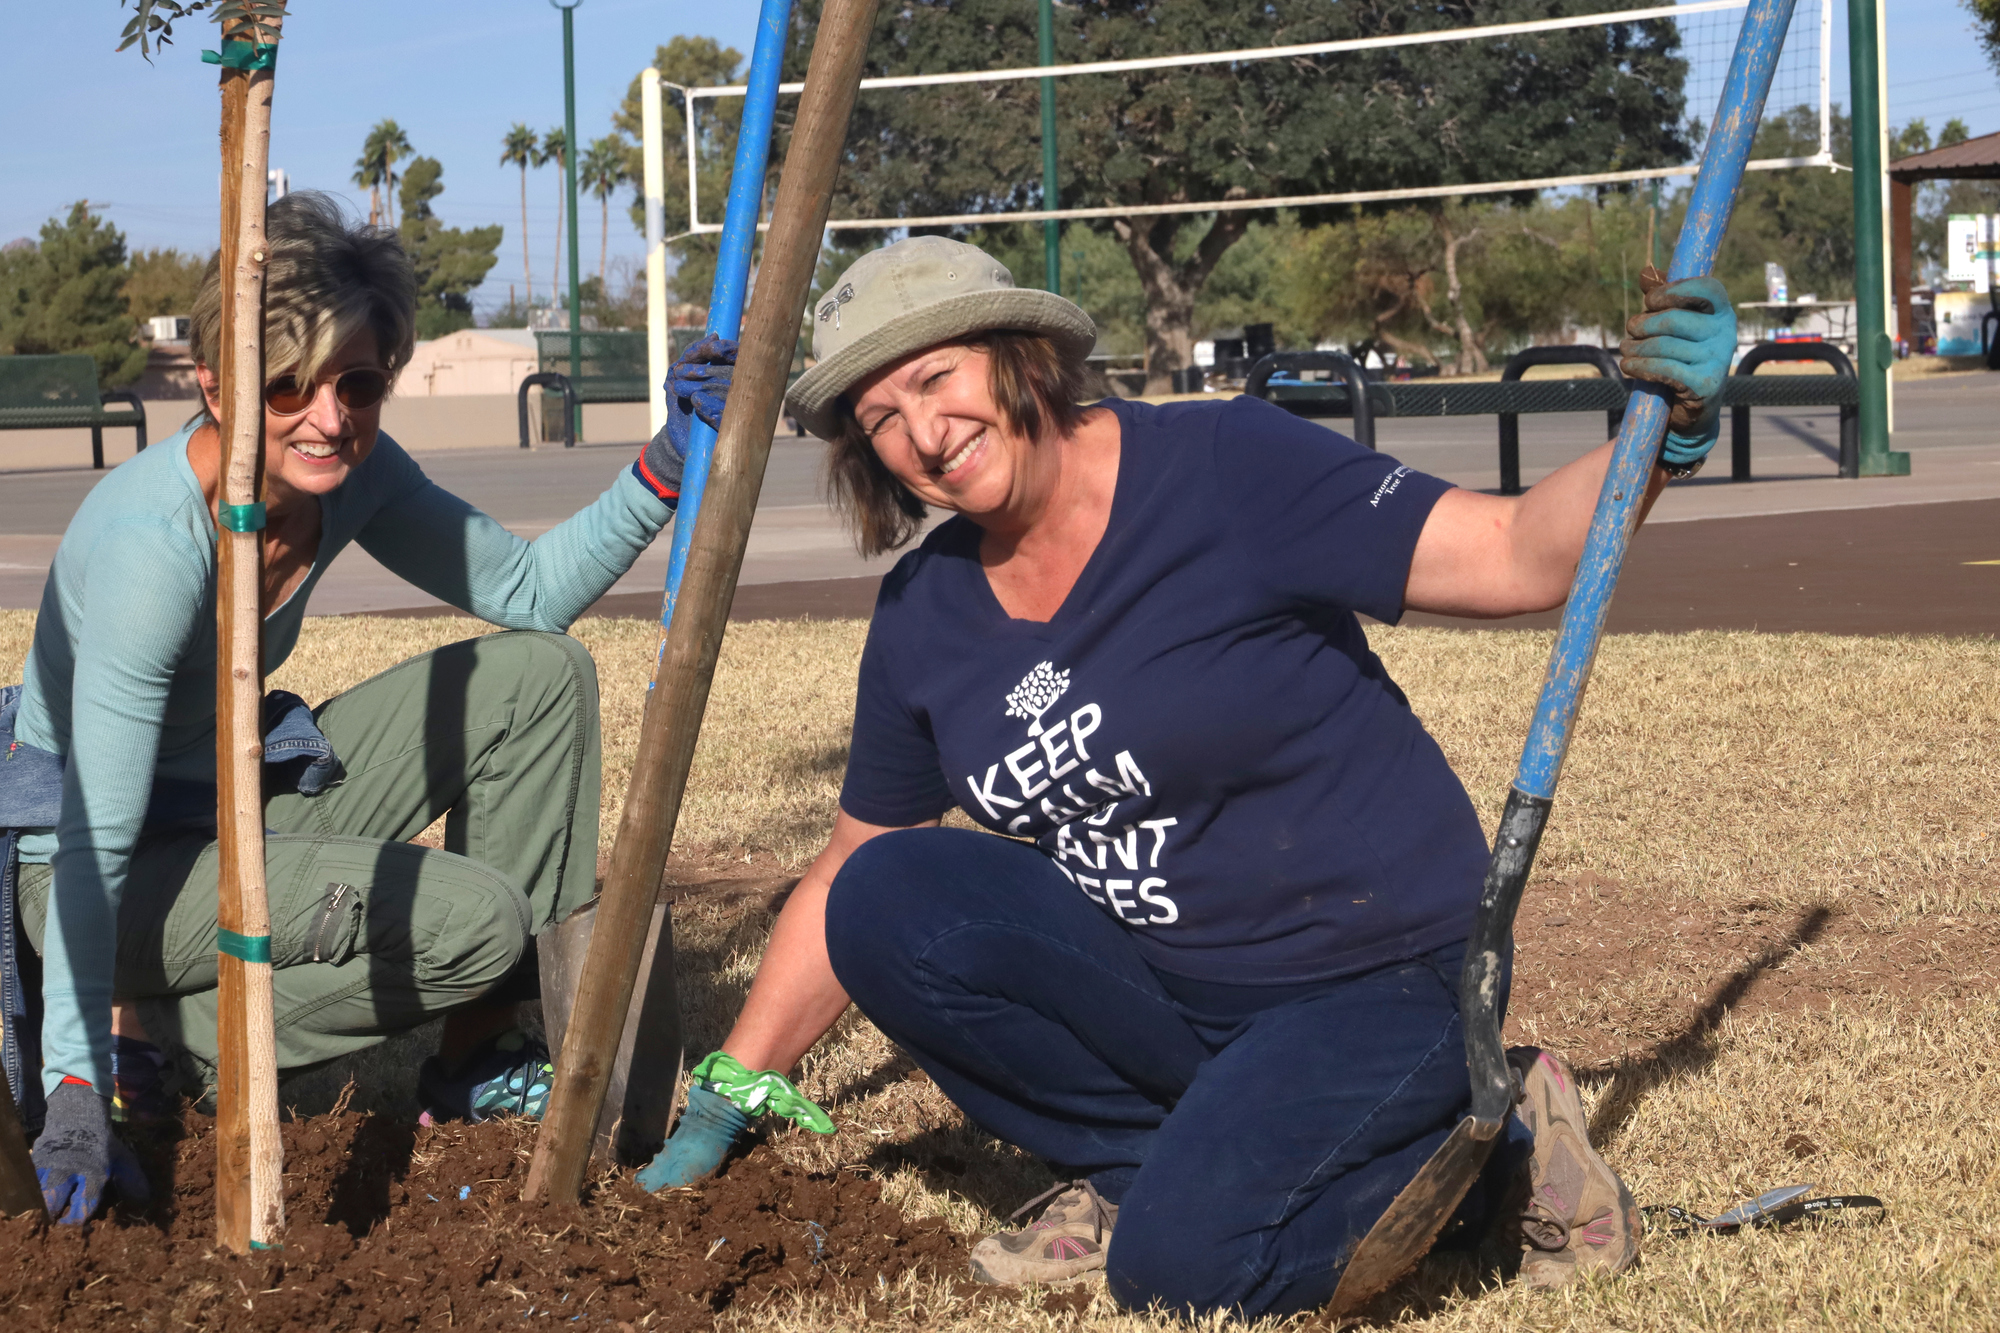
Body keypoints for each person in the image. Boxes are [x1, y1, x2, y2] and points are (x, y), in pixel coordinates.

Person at [637, 235, 1735, 1318]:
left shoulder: (1223, 467)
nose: (923, 433)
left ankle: (1502, 1143)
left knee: (1184, 1275)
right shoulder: (925, 611)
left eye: (935, 377)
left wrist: (1660, 439)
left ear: (1017, 354)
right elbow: (850, 870)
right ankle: (1146, 1168)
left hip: (1375, 977)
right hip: (1164, 991)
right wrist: (725, 1099)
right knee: (891, 898)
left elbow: (1510, 553)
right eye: (880, 419)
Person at [0, 192, 733, 1224]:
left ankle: (473, 1063)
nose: (328, 415)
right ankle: (169, 1039)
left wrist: (663, 459)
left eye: (358, 383)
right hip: (105, 883)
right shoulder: (151, 552)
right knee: (477, 921)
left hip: (234, 812)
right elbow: (94, 841)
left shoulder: (352, 473)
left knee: (539, 676)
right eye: (287, 384)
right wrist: (74, 1092)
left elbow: (526, 595)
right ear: (214, 387)